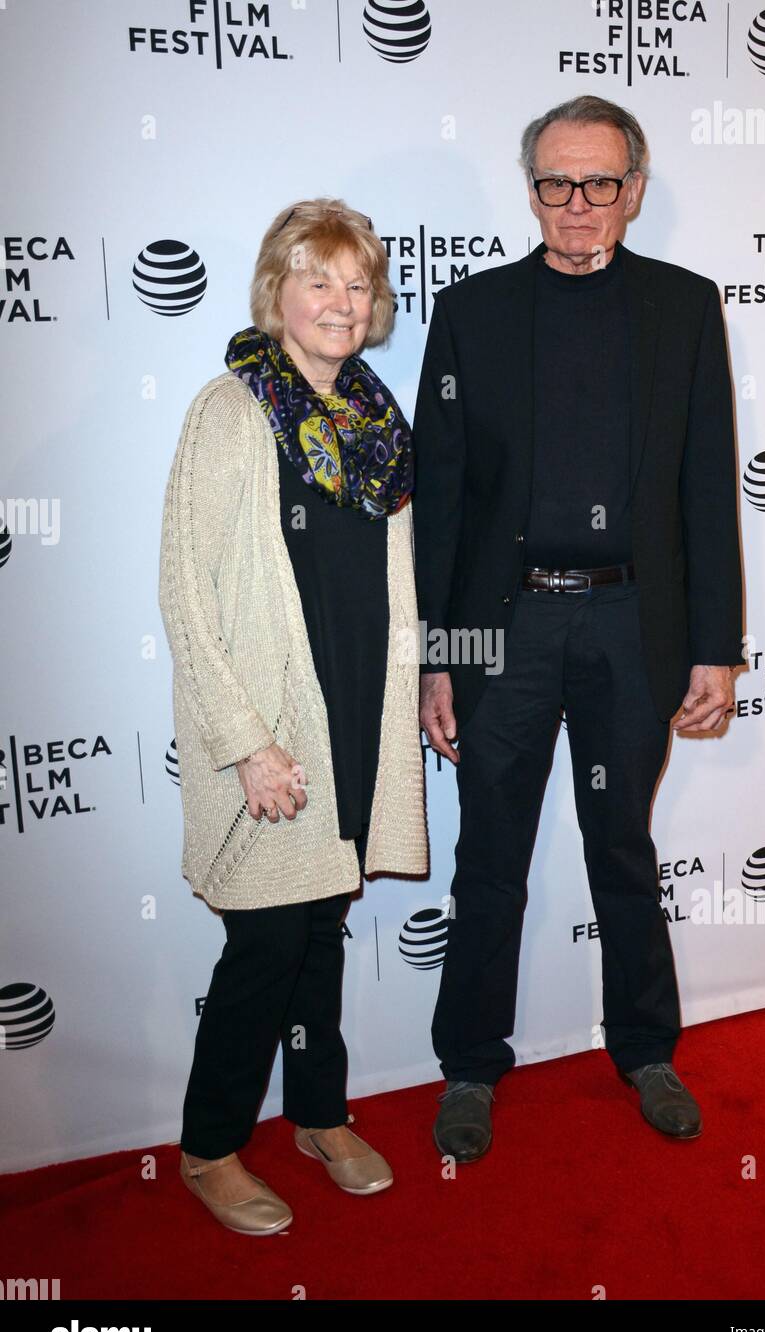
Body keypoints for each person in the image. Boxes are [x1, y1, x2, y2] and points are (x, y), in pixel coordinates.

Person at [413, 95, 744, 1162]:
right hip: (502, 633)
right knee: (489, 861)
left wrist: (715, 644)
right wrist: (439, 658)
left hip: (628, 625)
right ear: (530, 189)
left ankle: (645, 1048)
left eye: (600, 181)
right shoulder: (470, 312)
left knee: (623, 851)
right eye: (556, 182)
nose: (577, 204)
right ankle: (469, 1066)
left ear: (634, 189)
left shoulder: (685, 308)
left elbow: (706, 489)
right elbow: (445, 507)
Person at [158, 197, 427, 1233]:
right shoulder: (231, 410)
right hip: (275, 727)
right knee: (266, 946)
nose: (340, 301)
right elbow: (185, 593)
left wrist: (411, 692)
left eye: (357, 283)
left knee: (321, 932)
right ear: (276, 294)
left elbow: (392, 583)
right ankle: (210, 1145)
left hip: (355, 711)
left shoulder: (373, 420)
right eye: (318, 279)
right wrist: (245, 743)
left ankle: (318, 1115)